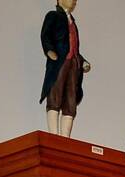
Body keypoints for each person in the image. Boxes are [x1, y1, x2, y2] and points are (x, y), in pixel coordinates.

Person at [39, 0, 91, 138]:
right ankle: (54, 136)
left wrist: (82, 61)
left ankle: (65, 138)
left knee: (70, 100)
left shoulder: (72, 22)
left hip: (73, 64)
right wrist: (49, 50)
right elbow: (45, 35)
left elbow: (74, 47)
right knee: (55, 96)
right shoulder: (52, 16)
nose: (74, 1)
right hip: (59, 63)